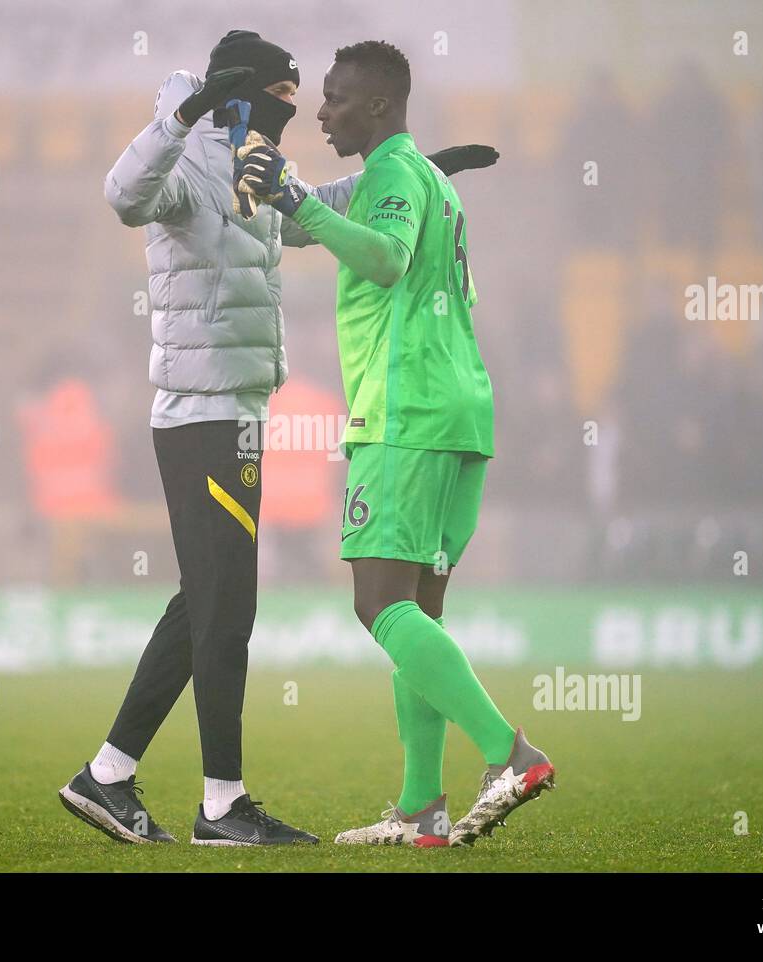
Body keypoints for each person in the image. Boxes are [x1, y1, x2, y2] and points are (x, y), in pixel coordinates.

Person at [58, 29, 501, 847]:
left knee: (206, 603)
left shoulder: (256, 160)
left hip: (236, 410)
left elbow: (316, 211)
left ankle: (108, 775)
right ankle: (221, 806)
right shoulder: (189, 157)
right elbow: (122, 195)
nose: (294, 117)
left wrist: (416, 174)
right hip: (201, 411)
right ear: (239, 91)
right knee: (228, 611)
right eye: (283, 100)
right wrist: (184, 113)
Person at [235, 40, 552, 847]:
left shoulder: (392, 175)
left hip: (404, 412)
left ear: (378, 105)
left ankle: (508, 754)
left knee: (377, 603)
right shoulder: (431, 181)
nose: (321, 110)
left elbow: (381, 259)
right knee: (419, 612)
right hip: (459, 416)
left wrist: (300, 199)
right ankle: (420, 808)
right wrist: (299, 204)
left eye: (336, 98)